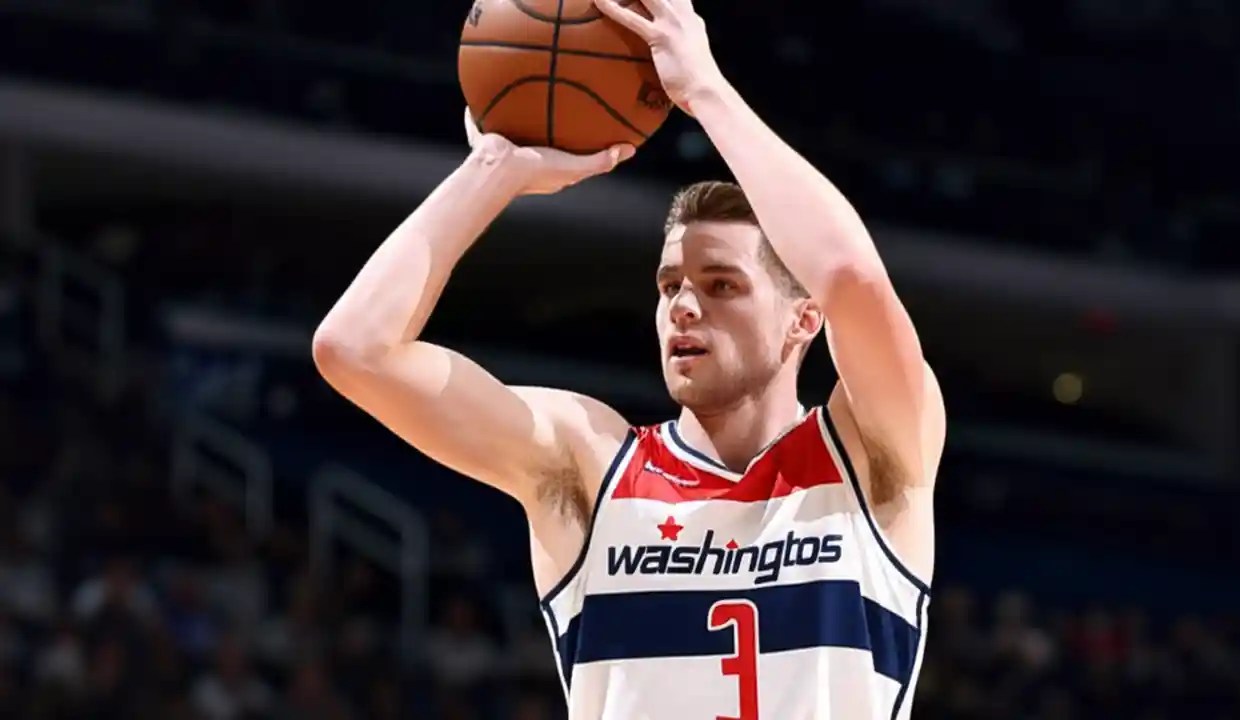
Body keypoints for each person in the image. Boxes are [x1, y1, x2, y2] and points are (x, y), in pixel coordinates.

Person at [312, 0, 946, 717]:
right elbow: (354, 349)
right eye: (670, 284)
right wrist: (493, 168)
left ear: (804, 319)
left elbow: (851, 277)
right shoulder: (589, 464)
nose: (683, 305)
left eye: (722, 285)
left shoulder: (872, 454)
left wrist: (705, 90)